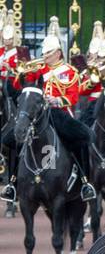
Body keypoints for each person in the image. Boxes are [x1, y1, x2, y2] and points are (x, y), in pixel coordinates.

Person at [1, 18, 97, 203]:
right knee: (12, 139)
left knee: (80, 139)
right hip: (38, 113)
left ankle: (85, 182)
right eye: (44, 53)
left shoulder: (69, 71)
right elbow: (19, 86)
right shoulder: (38, 69)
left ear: (58, 53)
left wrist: (57, 99)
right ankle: (12, 183)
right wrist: (20, 72)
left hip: (60, 113)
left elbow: (73, 96)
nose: (44, 56)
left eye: (48, 53)